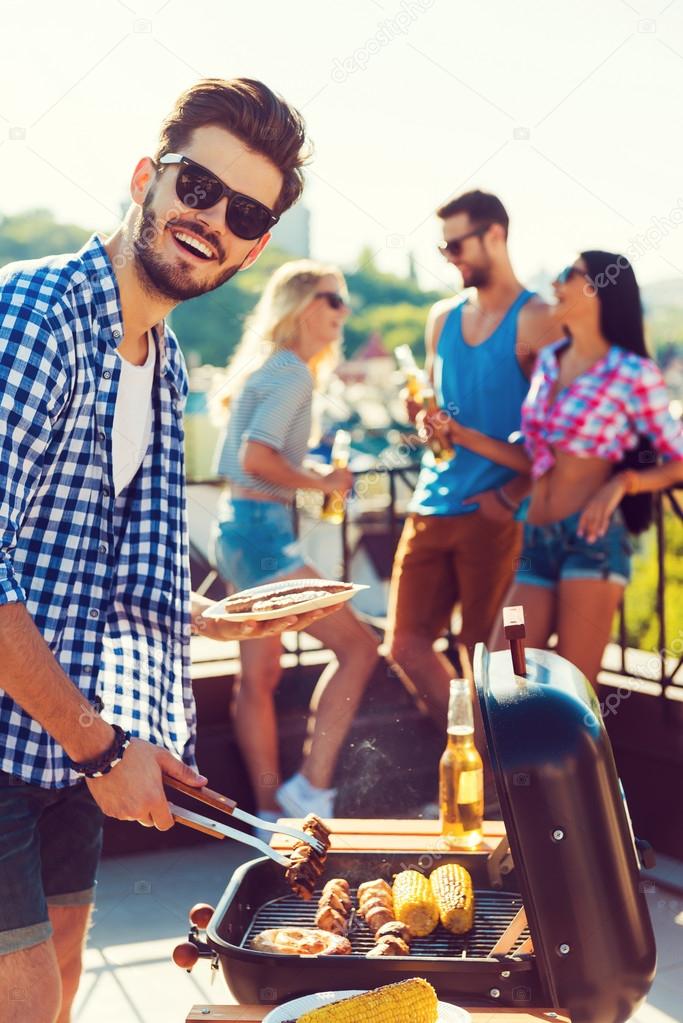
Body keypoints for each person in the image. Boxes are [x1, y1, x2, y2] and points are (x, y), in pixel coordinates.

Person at [0, 78, 348, 1023]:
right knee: (26, 998)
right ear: (146, 178)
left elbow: (88, 556)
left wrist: (197, 620)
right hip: (51, 732)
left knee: (65, 973)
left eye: (242, 212)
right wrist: (102, 744)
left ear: (258, 243)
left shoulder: (166, 365)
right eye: (197, 187)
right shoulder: (39, 319)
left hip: (53, 734)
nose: (211, 222)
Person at [442, 251, 683, 687]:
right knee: (501, 686)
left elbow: (677, 459)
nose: (554, 283)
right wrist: (460, 434)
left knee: (573, 703)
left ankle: (579, 761)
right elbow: (538, 457)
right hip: (536, 540)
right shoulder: (550, 360)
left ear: (596, 289)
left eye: (566, 274)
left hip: (591, 545)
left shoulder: (631, 372)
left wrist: (624, 483)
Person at [211, 260, 379, 827]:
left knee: (257, 678)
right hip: (262, 535)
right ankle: (311, 788)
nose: (342, 313)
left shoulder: (270, 367)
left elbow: (249, 461)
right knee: (359, 648)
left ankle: (266, 813)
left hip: (237, 528)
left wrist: (304, 474)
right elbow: (259, 459)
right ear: (304, 306)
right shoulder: (294, 375)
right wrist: (325, 482)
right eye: (334, 300)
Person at [386, 190, 558, 729]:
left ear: (495, 236)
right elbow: (442, 416)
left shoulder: (538, 320)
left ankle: (496, 784)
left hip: (498, 515)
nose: (449, 257)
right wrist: (423, 416)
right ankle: (474, 757)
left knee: (488, 656)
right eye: (442, 247)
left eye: (456, 244)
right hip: (432, 504)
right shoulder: (441, 319)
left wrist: (509, 497)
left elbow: (556, 442)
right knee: (405, 645)